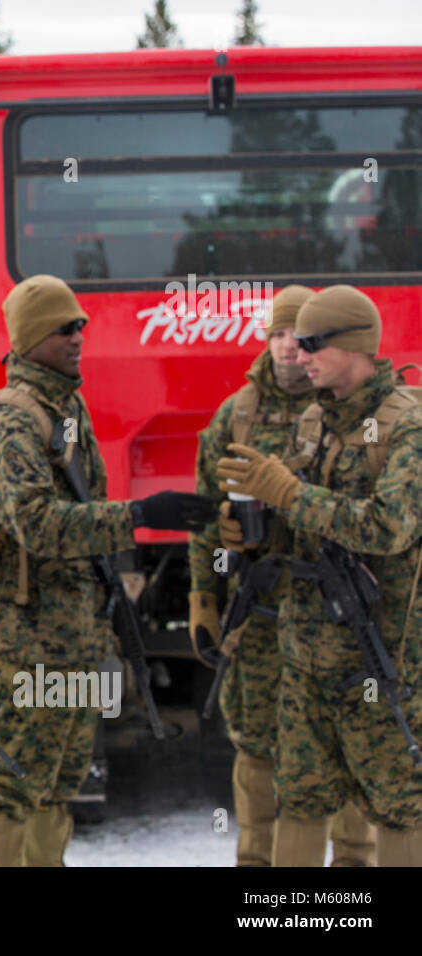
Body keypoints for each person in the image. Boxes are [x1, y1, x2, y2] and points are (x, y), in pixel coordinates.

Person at [0, 274, 214, 866]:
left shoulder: (65, 406)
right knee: (11, 777)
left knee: (58, 776)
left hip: (74, 631)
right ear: (28, 339)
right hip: (28, 639)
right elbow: (35, 522)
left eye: (81, 325)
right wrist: (138, 515)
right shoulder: (14, 422)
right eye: (63, 327)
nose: (79, 335)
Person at [218, 284, 422, 866]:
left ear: (354, 347)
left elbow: (388, 529)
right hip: (305, 652)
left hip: (380, 655)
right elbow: (306, 530)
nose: (296, 354)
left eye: (310, 342)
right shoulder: (315, 419)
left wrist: (288, 491)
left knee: (398, 802)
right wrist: (256, 532)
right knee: (301, 796)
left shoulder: (408, 427)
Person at [191, 284, 376, 866]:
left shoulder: (347, 412)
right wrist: (204, 595)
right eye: (278, 335)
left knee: (351, 744)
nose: (290, 349)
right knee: (257, 748)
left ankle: (352, 870)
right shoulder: (237, 414)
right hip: (261, 614)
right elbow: (203, 513)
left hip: (338, 611)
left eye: (301, 339)